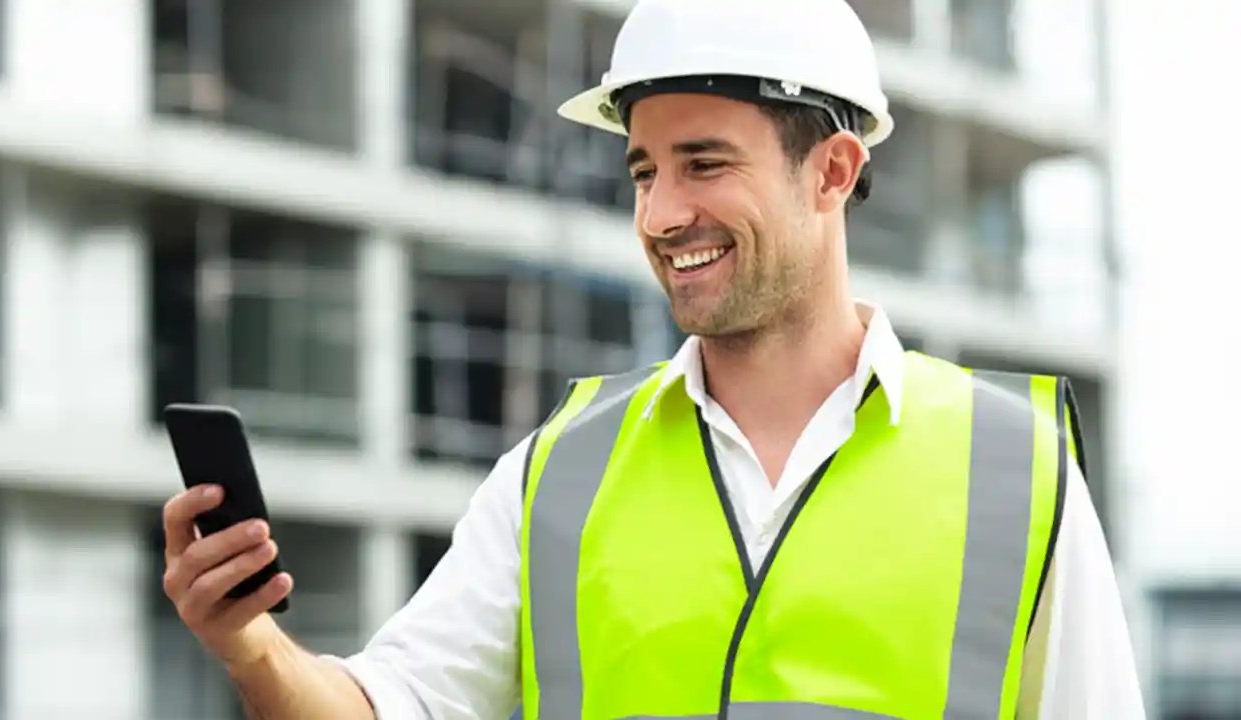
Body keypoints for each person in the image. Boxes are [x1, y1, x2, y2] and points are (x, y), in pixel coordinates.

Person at [159, 0, 1146, 717]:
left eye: (704, 164)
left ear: (831, 172)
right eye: (642, 171)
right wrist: (248, 645)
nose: (660, 214)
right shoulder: (560, 469)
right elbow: (386, 706)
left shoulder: (1014, 470)